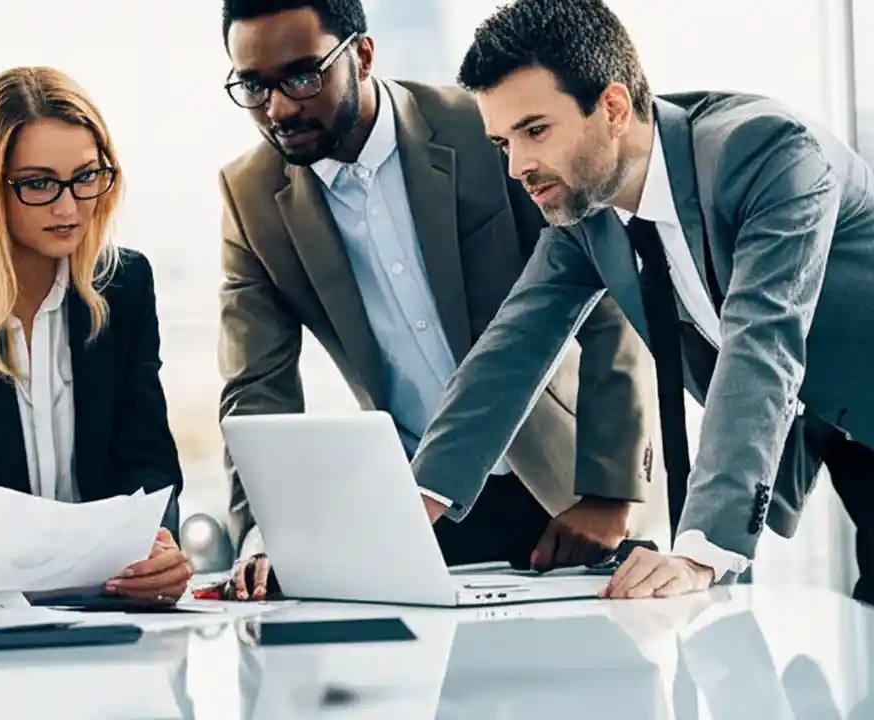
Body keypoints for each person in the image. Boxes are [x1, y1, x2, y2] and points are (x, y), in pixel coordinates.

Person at [415, 0, 874, 603]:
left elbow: (762, 340)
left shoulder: (764, 152)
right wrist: (417, 502)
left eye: (535, 130)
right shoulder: (588, 214)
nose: (520, 164)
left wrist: (701, 549)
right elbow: (511, 349)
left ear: (612, 107)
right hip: (835, 427)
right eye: (504, 143)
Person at [216, 0, 664, 600]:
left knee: (607, 679)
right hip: (414, 508)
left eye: (302, 76)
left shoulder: (489, 130)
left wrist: (610, 492)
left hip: (566, 490)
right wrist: (269, 535)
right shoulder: (249, 195)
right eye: (254, 86)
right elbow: (255, 388)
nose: (278, 108)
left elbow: (609, 303)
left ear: (363, 55)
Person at [0, 67, 192, 602]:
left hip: (106, 600)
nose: (68, 206)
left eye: (86, 177)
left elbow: (147, 455)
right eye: (38, 183)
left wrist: (159, 544)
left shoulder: (124, 285)